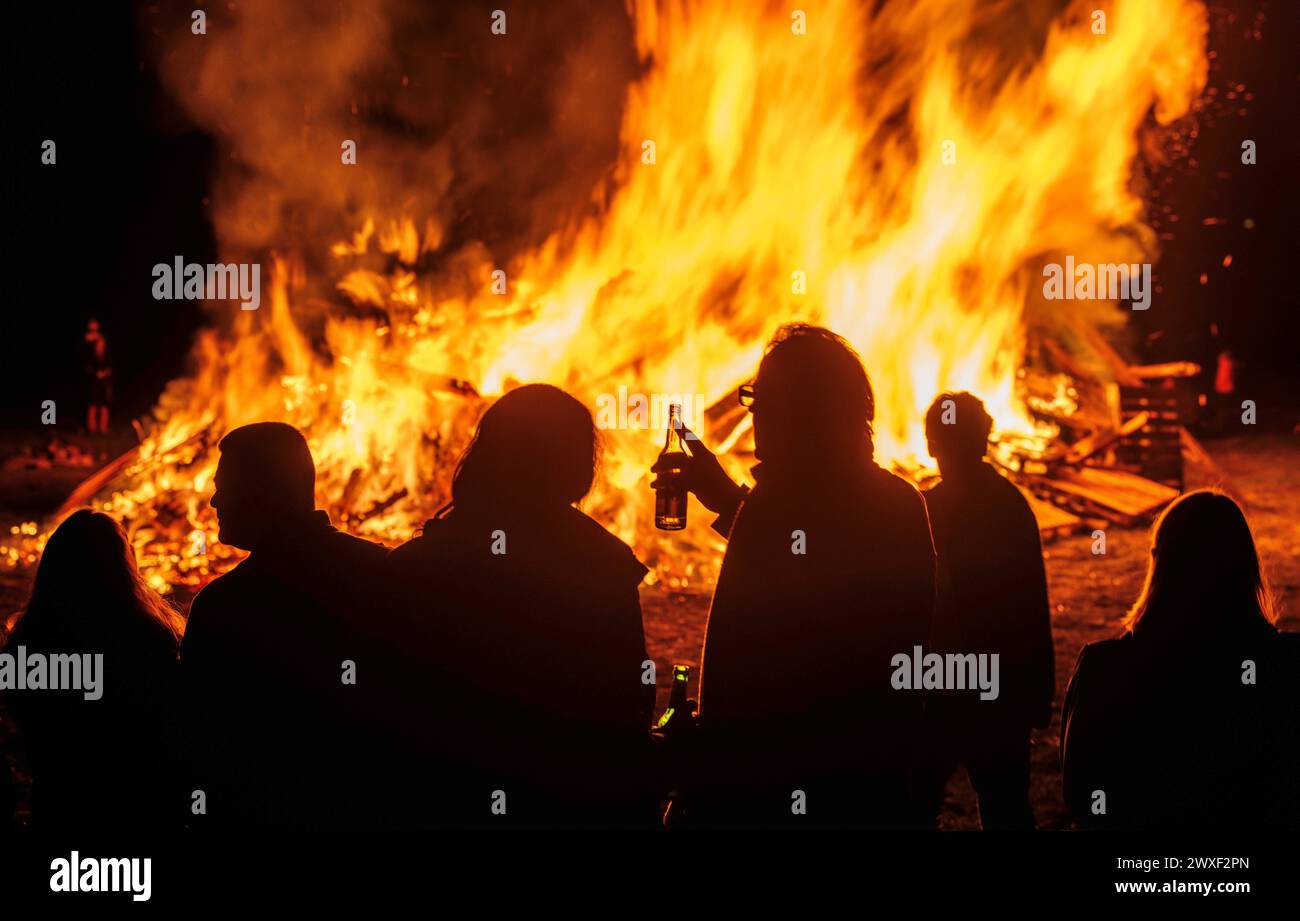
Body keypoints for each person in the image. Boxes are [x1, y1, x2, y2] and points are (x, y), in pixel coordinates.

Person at [656, 324, 936, 828]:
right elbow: (805, 555)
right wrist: (724, 496)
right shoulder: (893, 504)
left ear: (805, 413)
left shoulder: (788, 506)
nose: (755, 413)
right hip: (858, 790)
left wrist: (710, 763)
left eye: (763, 399)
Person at [387, 384, 657, 828]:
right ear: (575, 464)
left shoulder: (423, 562)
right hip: (572, 801)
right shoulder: (604, 562)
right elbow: (630, 693)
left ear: (484, 454)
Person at [180, 422, 389, 828]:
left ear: (261, 491)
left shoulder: (227, 605)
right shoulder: (383, 570)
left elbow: (196, 731)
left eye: (225, 486)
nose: (213, 501)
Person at [1061, 490, 1300, 830]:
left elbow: (1083, 794)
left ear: (1158, 563)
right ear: (1247, 564)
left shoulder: (1104, 670)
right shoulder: (1286, 667)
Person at [920, 392, 1054, 830]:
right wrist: (1036, 690)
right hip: (1001, 684)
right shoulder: (1012, 507)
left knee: (915, 804)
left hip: (939, 683)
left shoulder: (926, 512)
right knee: (1007, 806)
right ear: (985, 439)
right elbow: (1034, 603)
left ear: (931, 444)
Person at [2, 509, 185, 829]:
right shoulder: (151, 642)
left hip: (60, 813)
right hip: (141, 816)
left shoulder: (26, 649)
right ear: (126, 569)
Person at [83, 318, 113, 435]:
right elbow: (87, 367)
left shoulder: (106, 357)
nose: (101, 346)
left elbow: (110, 367)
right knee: (93, 405)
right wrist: (96, 373)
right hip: (93, 384)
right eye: (99, 345)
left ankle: (103, 428)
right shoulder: (91, 356)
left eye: (102, 345)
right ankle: (92, 428)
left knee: (104, 406)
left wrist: (107, 373)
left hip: (104, 384)